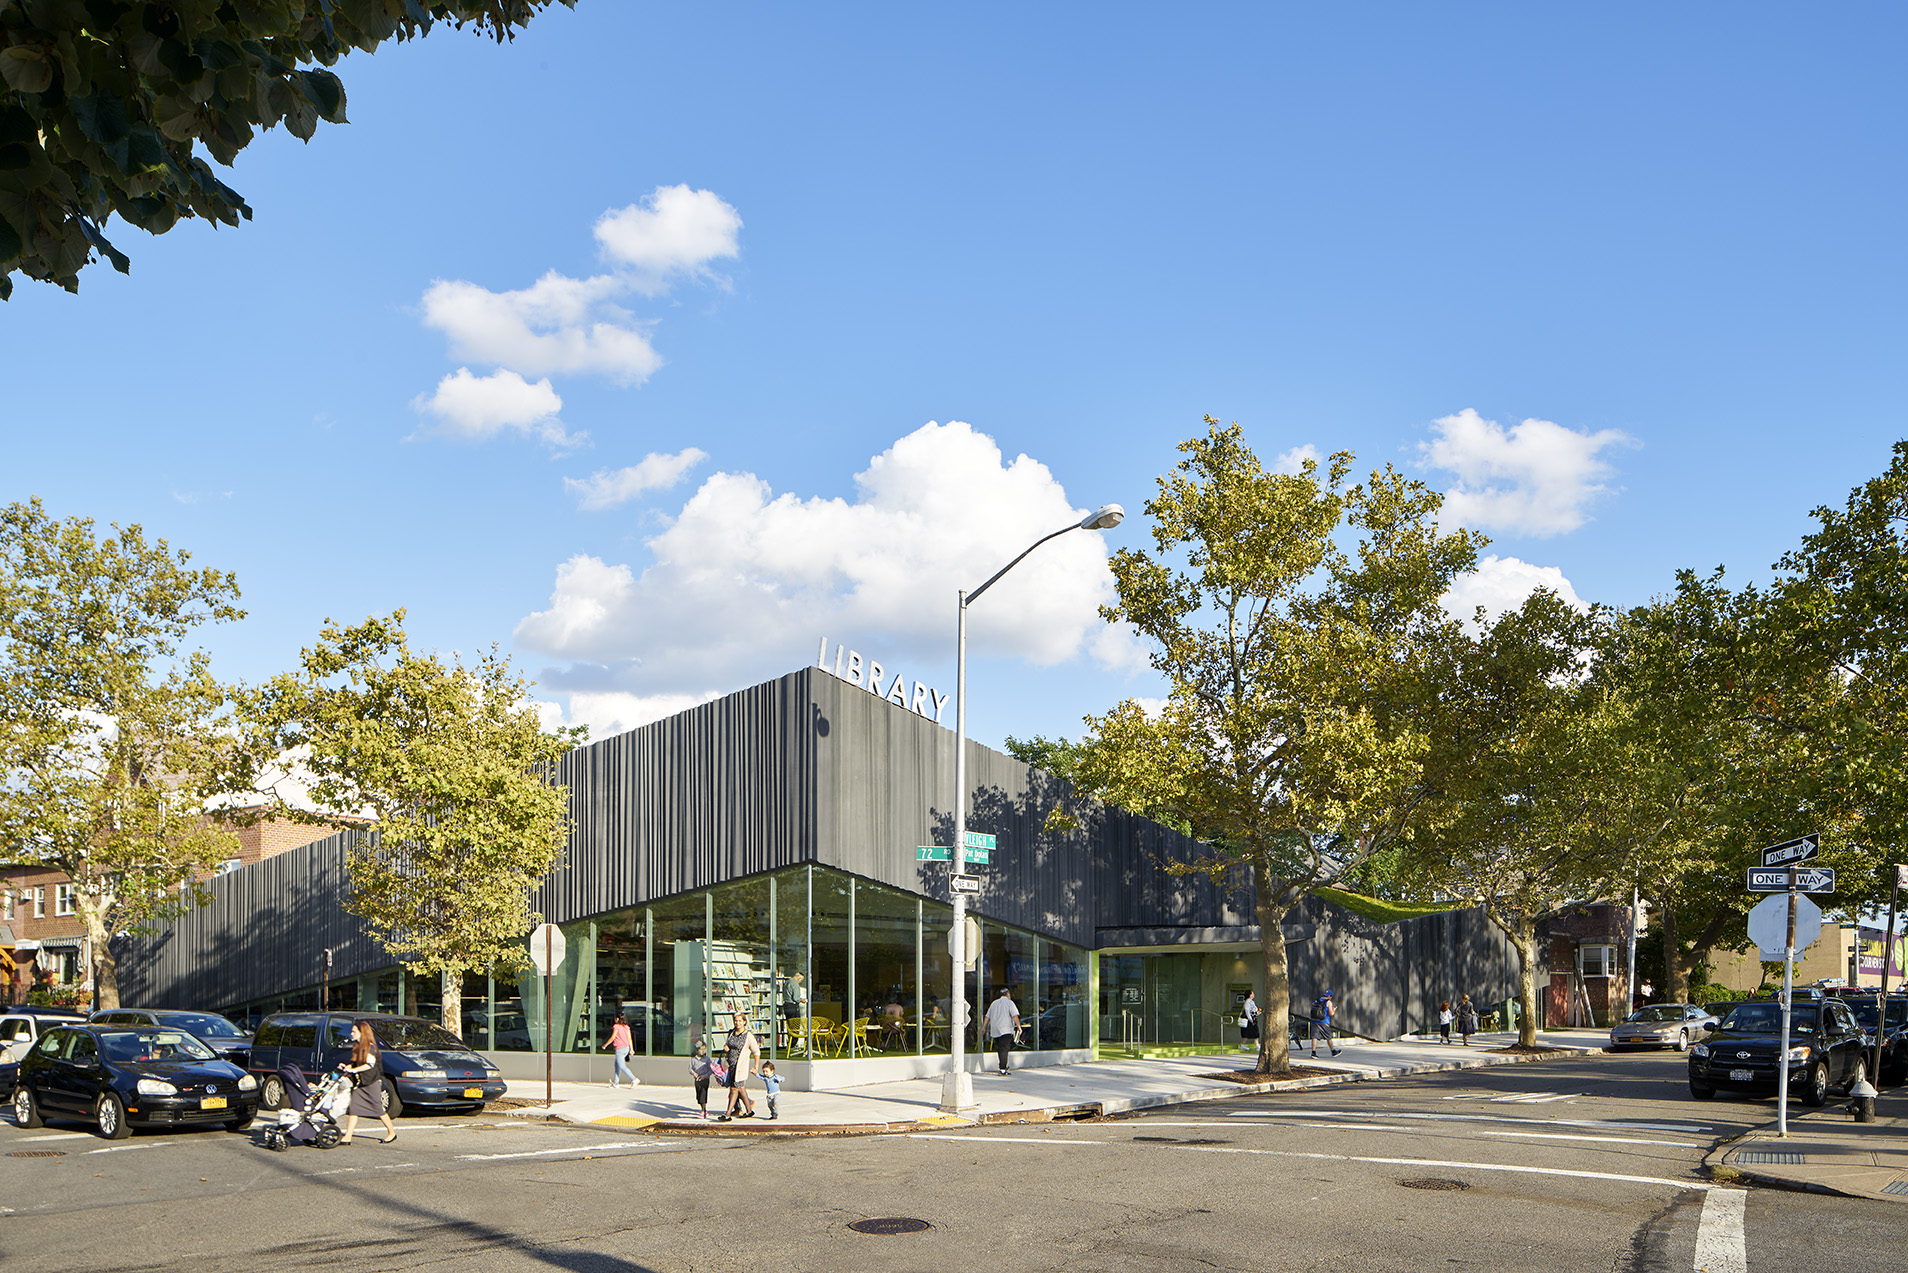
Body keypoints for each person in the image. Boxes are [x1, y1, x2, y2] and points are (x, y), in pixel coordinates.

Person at [339, 1019, 397, 1145]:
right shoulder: (358, 1047)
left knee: (378, 1108)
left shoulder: (370, 1047)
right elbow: (357, 1064)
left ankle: (391, 1132)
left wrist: (353, 1070)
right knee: (354, 1107)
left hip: (372, 1082)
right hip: (362, 1083)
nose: (351, 1033)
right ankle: (348, 1136)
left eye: (354, 1031)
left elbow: (369, 1065)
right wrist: (347, 1067)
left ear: (362, 1032)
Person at [717, 1011, 759, 1121]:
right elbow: (728, 1045)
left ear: (744, 1022)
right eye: (736, 1021)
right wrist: (726, 1048)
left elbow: (756, 1052)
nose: (738, 1023)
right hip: (731, 1066)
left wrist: (756, 1067)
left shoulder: (748, 1035)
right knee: (741, 1089)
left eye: (740, 1021)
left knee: (734, 1089)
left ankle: (727, 1114)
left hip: (740, 1068)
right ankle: (749, 1111)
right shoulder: (731, 1033)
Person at [985, 986, 1021, 1075]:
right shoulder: (1010, 1003)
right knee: (1004, 1049)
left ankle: (1002, 1065)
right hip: (1006, 1029)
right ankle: (1003, 1069)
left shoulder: (994, 1003)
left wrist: (983, 1027)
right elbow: (1015, 1016)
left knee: (1000, 1049)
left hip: (995, 1030)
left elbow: (987, 1016)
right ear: (1008, 994)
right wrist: (1019, 1026)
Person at [604, 1012, 636, 1088]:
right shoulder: (626, 1027)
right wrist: (631, 1049)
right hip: (626, 1048)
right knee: (617, 1065)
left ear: (617, 1019)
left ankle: (634, 1079)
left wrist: (605, 1045)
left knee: (622, 1066)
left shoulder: (616, 1027)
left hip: (619, 1049)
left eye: (615, 1018)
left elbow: (613, 1037)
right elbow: (629, 1039)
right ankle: (616, 1083)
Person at [1310, 989, 1340, 1057]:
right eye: (1331, 996)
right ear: (1329, 996)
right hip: (1324, 1021)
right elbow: (1331, 1013)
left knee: (1314, 1037)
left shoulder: (1317, 1000)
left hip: (1315, 1020)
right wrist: (1334, 1010)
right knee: (1328, 1037)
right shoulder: (1328, 1002)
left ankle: (1313, 1052)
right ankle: (1333, 1051)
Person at [688, 1040, 713, 1119]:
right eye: (701, 1049)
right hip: (697, 1079)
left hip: (705, 1079)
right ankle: (701, 1106)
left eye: (704, 1049)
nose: (703, 1051)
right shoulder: (693, 1059)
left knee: (703, 1093)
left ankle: (704, 1110)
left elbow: (711, 1069)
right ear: (696, 1050)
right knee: (698, 1094)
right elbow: (690, 1069)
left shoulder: (707, 1059)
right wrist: (694, 1073)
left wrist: (705, 1076)